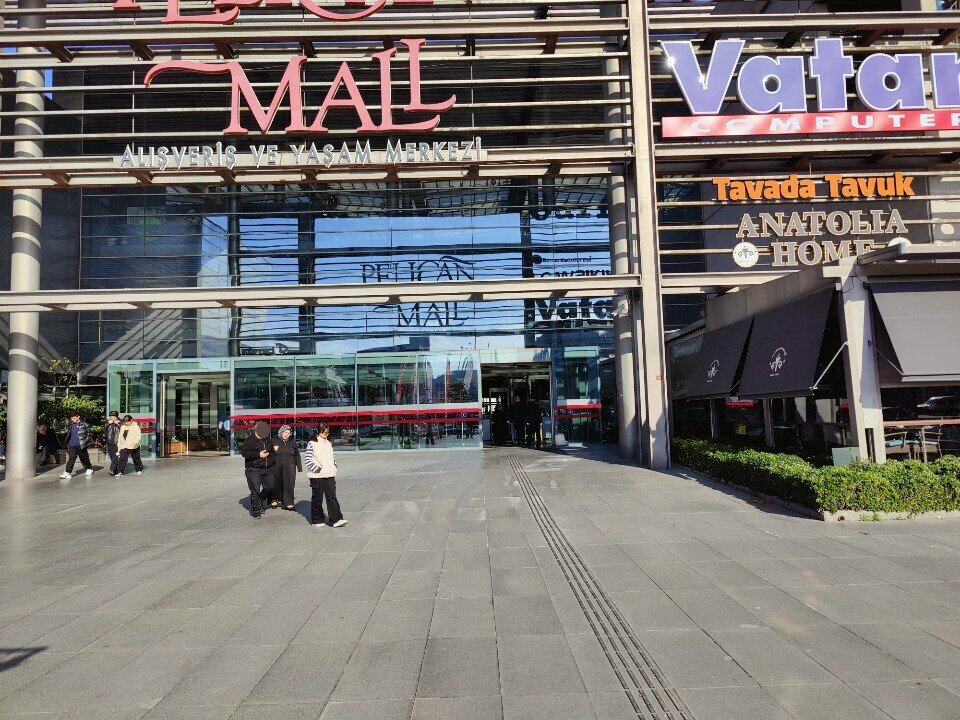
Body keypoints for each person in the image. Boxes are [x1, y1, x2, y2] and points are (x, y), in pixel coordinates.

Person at [304, 422, 346, 528]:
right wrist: (317, 469)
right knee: (317, 498)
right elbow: (307, 459)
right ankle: (317, 520)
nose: (326, 434)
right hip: (317, 476)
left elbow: (332, 456)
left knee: (332, 497)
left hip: (330, 474)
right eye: (324, 432)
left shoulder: (328, 442)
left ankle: (336, 519)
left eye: (327, 432)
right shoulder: (312, 443)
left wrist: (334, 465)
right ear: (319, 431)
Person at [241, 420, 275, 519]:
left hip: (268, 469)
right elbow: (244, 453)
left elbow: (272, 453)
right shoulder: (249, 440)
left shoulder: (268, 440)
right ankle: (256, 510)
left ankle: (260, 501)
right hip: (254, 469)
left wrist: (271, 460)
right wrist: (258, 455)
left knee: (270, 487)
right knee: (255, 490)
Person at [273, 424, 301, 511]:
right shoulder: (274, 441)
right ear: (281, 432)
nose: (286, 434)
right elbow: (267, 453)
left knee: (289, 484)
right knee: (276, 484)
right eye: (285, 432)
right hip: (276, 467)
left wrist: (299, 467)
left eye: (288, 433)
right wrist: (272, 450)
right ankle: (274, 500)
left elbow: (297, 455)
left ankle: (288, 503)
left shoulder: (292, 442)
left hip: (290, 467)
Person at [60, 412, 94, 479]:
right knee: (71, 458)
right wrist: (68, 442)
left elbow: (89, 433)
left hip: (81, 444)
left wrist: (85, 441)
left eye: (74, 418)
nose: (73, 419)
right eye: (72, 418)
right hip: (72, 444)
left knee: (84, 458)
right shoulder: (71, 424)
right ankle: (67, 472)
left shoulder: (84, 424)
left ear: (78, 417)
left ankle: (89, 468)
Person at [104, 411, 121, 475]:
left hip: (117, 442)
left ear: (117, 417)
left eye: (114, 416)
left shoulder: (121, 422)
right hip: (109, 441)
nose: (112, 418)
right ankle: (115, 469)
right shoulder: (107, 422)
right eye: (111, 416)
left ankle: (111, 469)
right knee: (111, 456)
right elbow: (103, 430)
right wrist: (108, 424)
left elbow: (123, 430)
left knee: (115, 456)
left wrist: (118, 424)